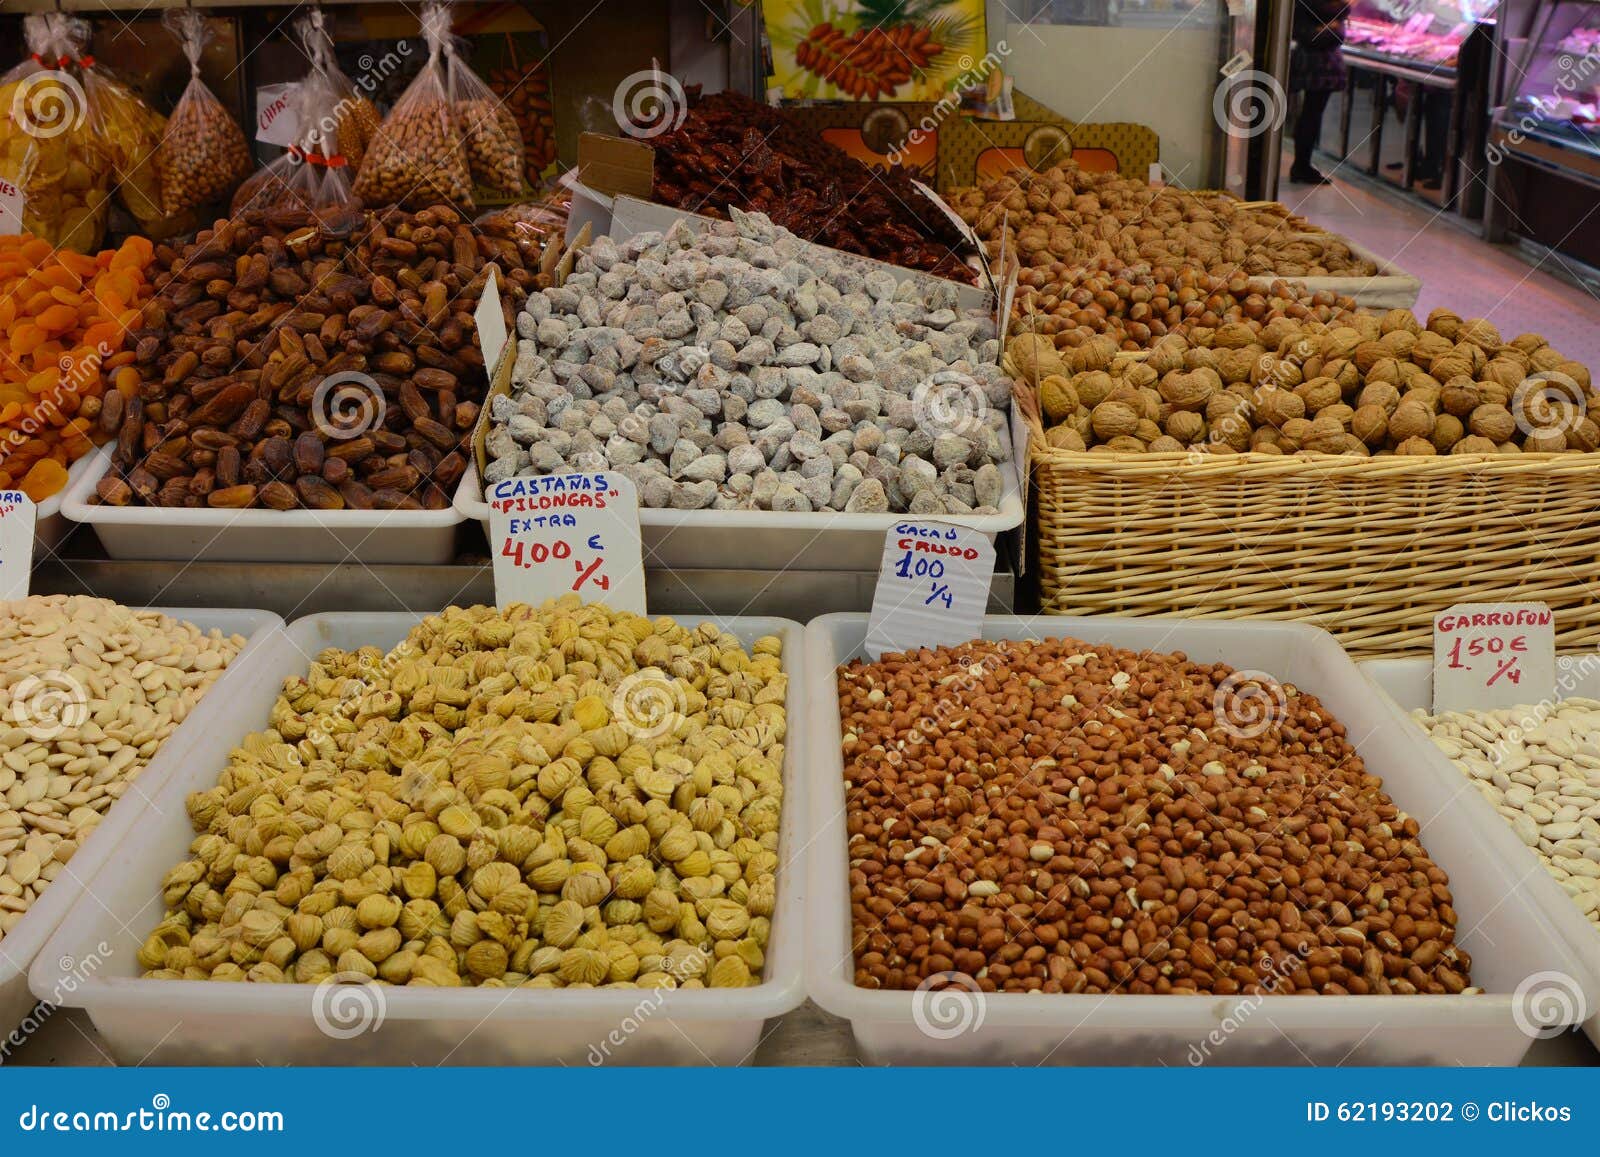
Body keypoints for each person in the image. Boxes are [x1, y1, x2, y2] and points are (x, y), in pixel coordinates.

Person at [1289, 0, 1350, 184]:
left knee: (1310, 114)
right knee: (1311, 115)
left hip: (1314, 60)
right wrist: (1336, 21)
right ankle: (1301, 166)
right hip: (1318, 62)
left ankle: (1302, 164)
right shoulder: (1313, 5)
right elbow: (1340, 9)